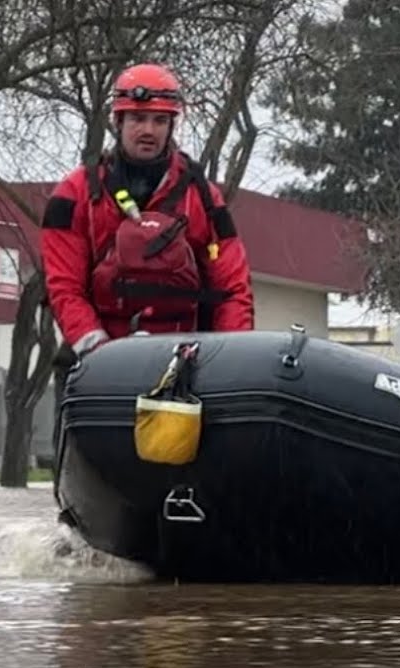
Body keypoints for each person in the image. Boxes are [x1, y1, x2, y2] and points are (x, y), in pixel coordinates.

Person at [40, 63, 255, 465]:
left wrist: (231, 359)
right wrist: (100, 351)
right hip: (99, 359)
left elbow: (232, 288)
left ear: (171, 127)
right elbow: (64, 286)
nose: (148, 130)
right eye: (138, 119)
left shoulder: (202, 198)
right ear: (118, 121)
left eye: (159, 121)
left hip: (186, 363)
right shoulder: (76, 195)